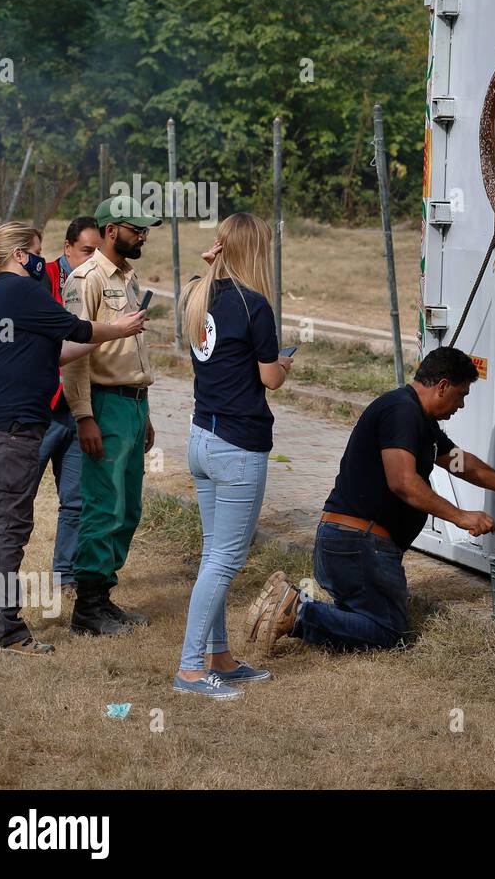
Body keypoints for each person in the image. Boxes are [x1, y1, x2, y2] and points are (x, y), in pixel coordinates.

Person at [244, 347, 495, 653]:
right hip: (358, 545)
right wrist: (461, 516)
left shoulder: (420, 420)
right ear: (442, 386)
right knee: (388, 632)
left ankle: (290, 605)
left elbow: (459, 462)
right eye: (461, 394)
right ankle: (298, 610)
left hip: (349, 545)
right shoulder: (402, 411)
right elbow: (403, 483)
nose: (462, 405)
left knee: (362, 620)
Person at [0, 222, 145, 654]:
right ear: (20, 255)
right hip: (11, 423)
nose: (45, 265)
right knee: (9, 524)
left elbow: (57, 349)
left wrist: (104, 340)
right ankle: (5, 629)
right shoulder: (22, 291)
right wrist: (118, 329)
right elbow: (77, 329)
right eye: (38, 255)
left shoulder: (2, 295)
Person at [172, 214, 293, 700]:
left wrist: (208, 267)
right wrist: (283, 364)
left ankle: (219, 655)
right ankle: (190, 670)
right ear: (256, 251)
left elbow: (194, 287)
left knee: (212, 556)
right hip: (238, 447)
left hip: (201, 438)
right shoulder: (255, 305)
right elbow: (269, 379)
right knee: (223, 561)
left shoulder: (197, 293)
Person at [61, 194, 162, 636]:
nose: (142, 235)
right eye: (134, 228)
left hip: (133, 403)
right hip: (104, 403)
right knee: (105, 504)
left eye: (143, 228)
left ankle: (104, 595)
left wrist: (147, 412)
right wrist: (84, 415)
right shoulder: (86, 279)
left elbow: (130, 350)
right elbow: (74, 355)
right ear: (109, 230)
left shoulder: (128, 275)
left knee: (129, 506)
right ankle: (87, 608)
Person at [35, 215, 102, 595]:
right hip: (40, 408)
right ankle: (0, 582)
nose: (92, 258)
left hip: (77, 408)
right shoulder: (40, 279)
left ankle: (65, 578)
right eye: (85, 251)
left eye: (97, 252)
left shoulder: (99, 282)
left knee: (75, 501)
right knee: (16, 498)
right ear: (66, 248)